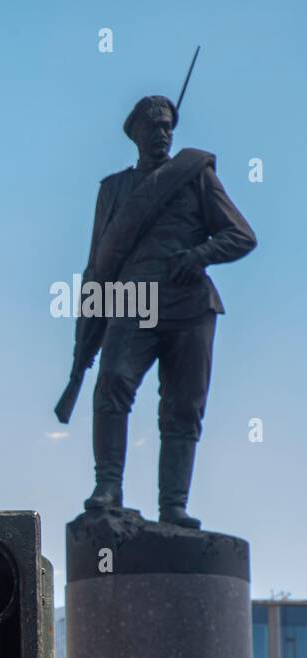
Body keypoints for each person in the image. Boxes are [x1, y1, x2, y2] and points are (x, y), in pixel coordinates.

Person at [80, 95, 256, 528]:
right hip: (131, 301)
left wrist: (200, 254)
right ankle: (108, 487)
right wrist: (87, 330)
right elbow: (97, 262)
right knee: (113, 382)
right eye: (153, 127)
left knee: (182, 407)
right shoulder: (114, 189)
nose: (161, 134)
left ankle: (173, 505)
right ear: (135, 133)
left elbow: (242, 235)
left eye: (167, 127)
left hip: (190, 305)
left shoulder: (196, 176)